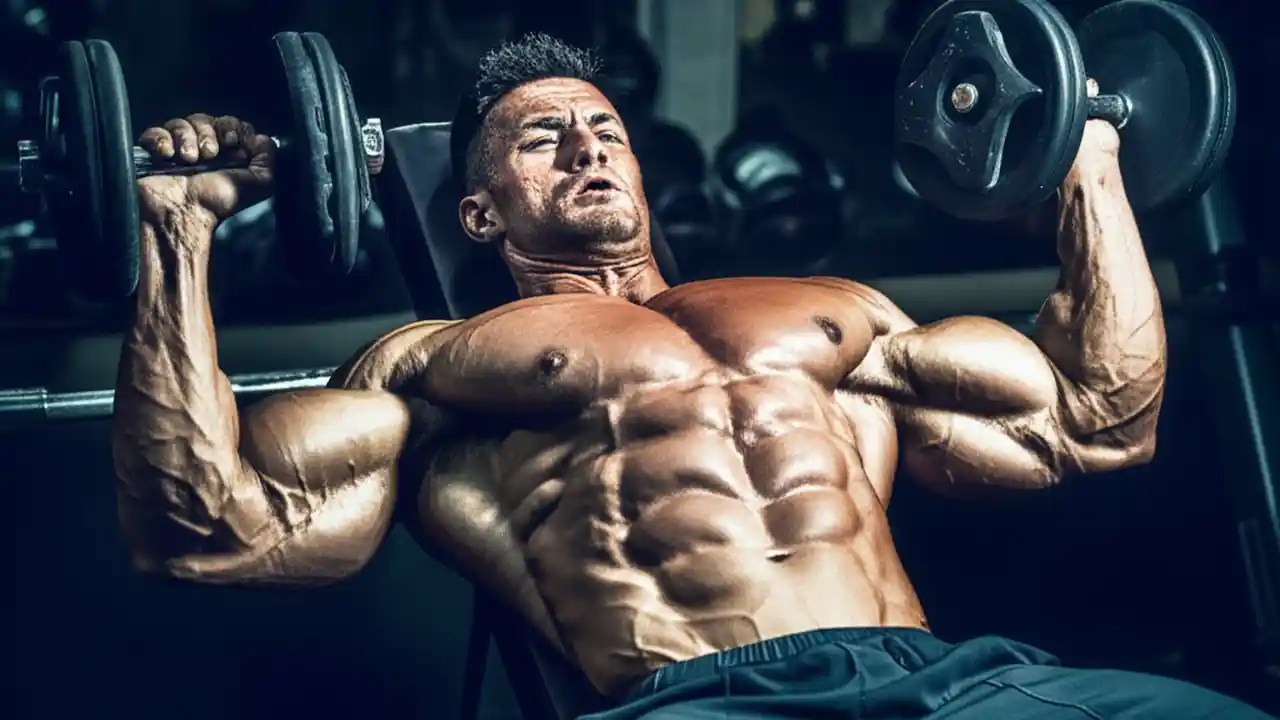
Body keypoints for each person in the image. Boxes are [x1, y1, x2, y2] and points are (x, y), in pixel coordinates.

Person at [111, 33, 1271, 719]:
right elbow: (210, 527)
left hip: (946, 684)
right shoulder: (437, 366)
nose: (585, 148)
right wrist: (178, 233)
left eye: (604, 131)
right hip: (698, 701)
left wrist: (1088, 160)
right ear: (478, 210)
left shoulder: (827, 314)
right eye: (541, 139)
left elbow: (1096, 418)